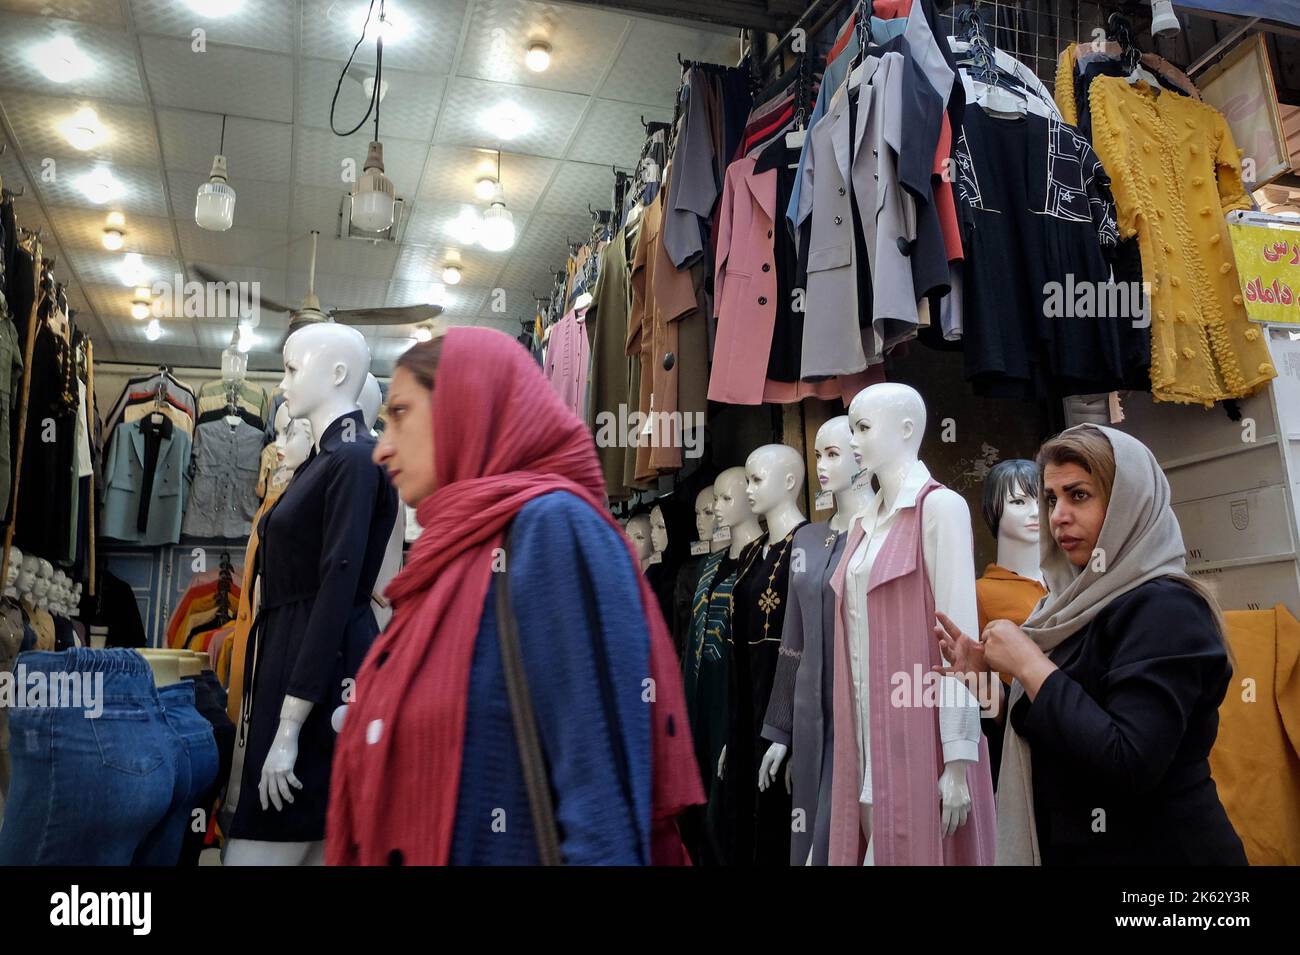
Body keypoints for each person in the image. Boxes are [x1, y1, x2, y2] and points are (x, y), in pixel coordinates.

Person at [326, 327, 703, 865]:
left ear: (467, 406)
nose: (382, 447)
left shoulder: (551, 530)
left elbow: (599, 804)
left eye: (401, 413)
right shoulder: (446, 561)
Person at [935, 424, 1246, 865]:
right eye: (1051, 499)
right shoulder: (1067, 607)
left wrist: (1030, 664)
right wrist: (990, 690)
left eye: (1078, 495)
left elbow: (1128, 762)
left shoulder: (1166, 607)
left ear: (1128, 504)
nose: (1058, 515)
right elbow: (1062, 740)